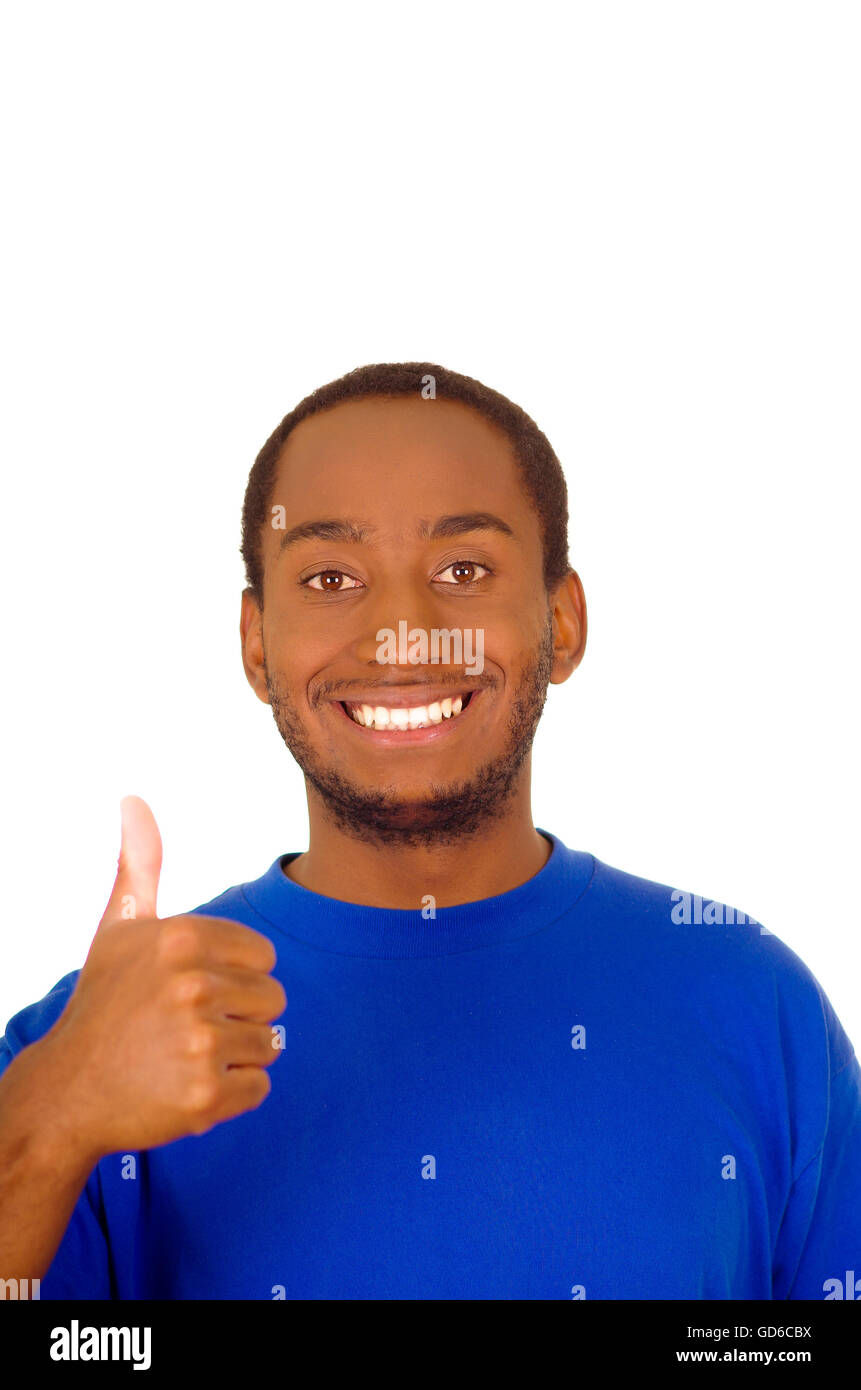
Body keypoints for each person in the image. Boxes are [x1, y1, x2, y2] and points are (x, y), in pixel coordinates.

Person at [0, 362, 858, 1300]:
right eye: (330, 576)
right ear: (256, 645)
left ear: (561, 622)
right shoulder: (88, 1043)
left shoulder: (752, 1001)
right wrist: (51, 1115)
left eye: (463, 570)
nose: (404, 632)